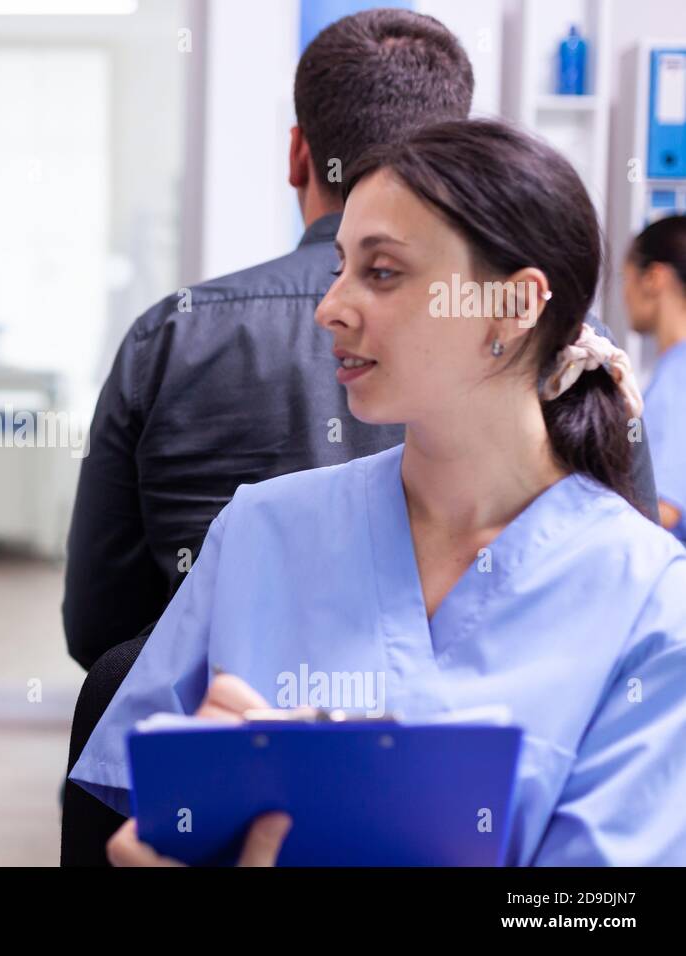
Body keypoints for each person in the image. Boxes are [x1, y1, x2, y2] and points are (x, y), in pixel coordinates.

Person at [59, 7, 658, 866]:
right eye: (340, 264)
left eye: (380, 271)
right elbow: (142, 798)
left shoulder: (644, 601)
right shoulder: (261, 532)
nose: (330, 306)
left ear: (515, 305)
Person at [623, 214, 686, 542]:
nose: (624, 293)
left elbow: (660, 509)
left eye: (627, 277)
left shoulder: (678, 374)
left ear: (654, 278)